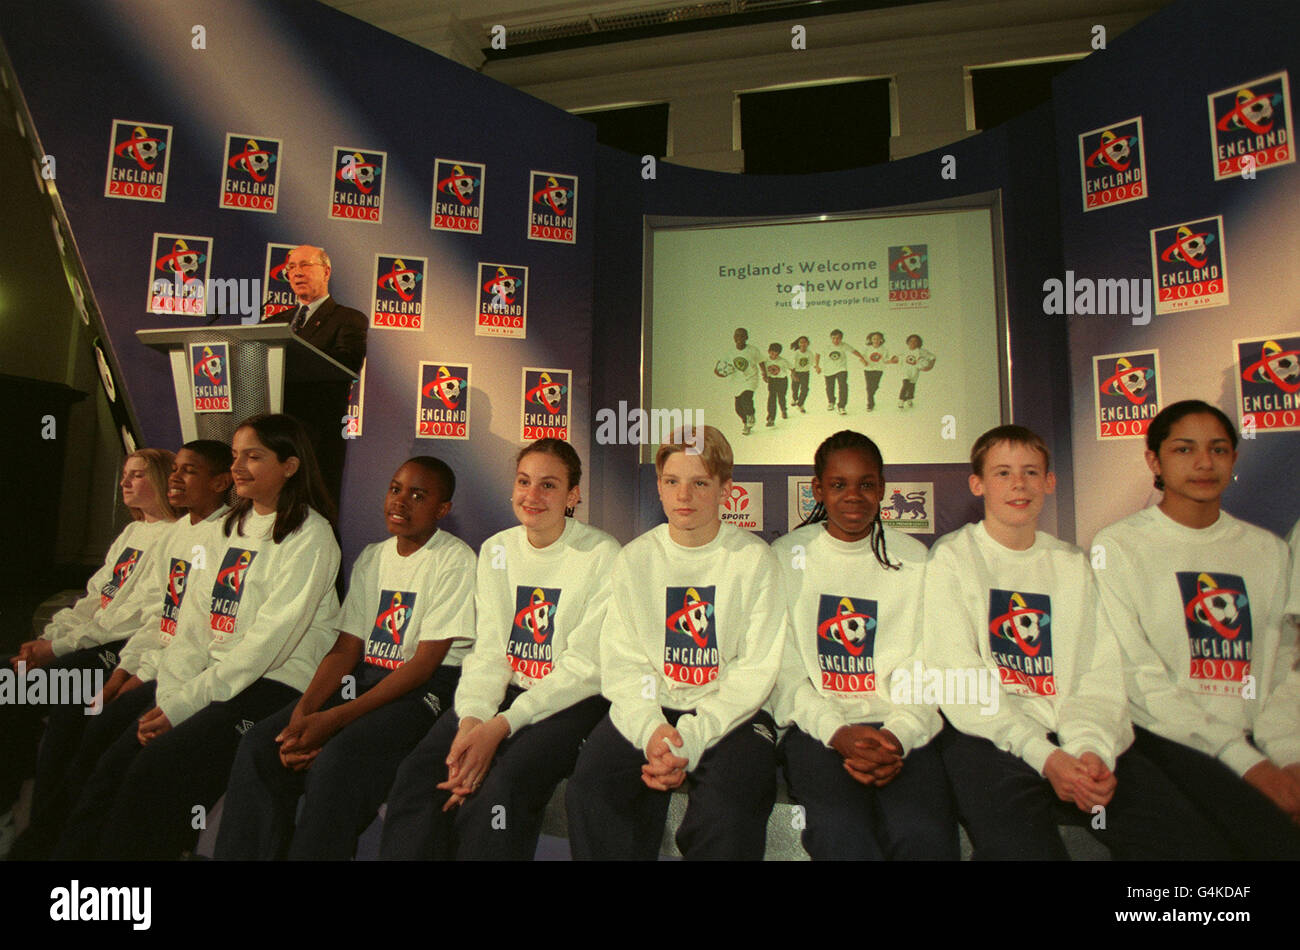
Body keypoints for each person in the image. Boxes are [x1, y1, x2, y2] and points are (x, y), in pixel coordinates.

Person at [925, 423, 1228, 859]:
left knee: (1183, 839)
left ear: (1049, 482)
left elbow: (1097, 673)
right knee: (1023, 851)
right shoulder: (952, 559)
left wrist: (1090, 750)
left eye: (1031, 472)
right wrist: (1043, 756)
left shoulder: (1071, 564)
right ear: (978, 484)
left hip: (1073, 733)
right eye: (1003, 473)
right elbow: (958, 677)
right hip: (990, 738)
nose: (1019, 485)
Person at [52, 414, 341, 860]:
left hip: (271, 685)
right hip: (206, 678)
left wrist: (182, 706)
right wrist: (169, 697)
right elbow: (191, 623)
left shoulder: (311, 536)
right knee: (111, 761)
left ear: (290, 465)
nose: (240, 466)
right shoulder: (225, 528)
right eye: (236, 456)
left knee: (155, 773)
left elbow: (264, 647)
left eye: (254, 456)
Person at [215, 456, 474, 860]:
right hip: (369, 678)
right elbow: (346, 648)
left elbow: (424, 664)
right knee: (263, 743)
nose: (400, 501)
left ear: (442, 510)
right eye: (395, 489)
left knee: (337, 761)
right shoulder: (373, 556)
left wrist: (334, 720)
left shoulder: (455, 560)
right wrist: (304, 711)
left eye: (418, 495)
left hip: (426, 689)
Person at [380, 439, 619, 860]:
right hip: (500, 693)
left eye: (548, 485)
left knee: (498, 794)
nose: (532, 495)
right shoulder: (496, 551)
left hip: (569, 701)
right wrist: (472, 720)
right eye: (524, 481)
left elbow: (585, 667)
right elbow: (489, 652)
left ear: (573, 495)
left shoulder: (602, 554)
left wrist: (501, 726)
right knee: (421, 776)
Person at [565, 426, 784, 860]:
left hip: (731, 713)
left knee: (728, 814)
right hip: (652, 706)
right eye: (672, 481)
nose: (684, 495)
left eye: (700, 482)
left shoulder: (755, 560)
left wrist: (692, 737)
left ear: (726, 489)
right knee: (591, 790)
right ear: (659, 488)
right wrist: (650, 729)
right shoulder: (635, 559)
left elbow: (755, 670)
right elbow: (624, 664)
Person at [1092, 400, 1300, 858]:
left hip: (1252, 741)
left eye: (1219, 449)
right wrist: (1249, 765)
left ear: (1234, 460)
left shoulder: (1268, 552)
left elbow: (1281, 672)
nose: (1205, 463)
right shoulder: (1119, 546)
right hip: (1159, 740)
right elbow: (1139, 680)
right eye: (1185, 450)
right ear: (1154, 461)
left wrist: (1287, 757)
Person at [9, 441, 232, 860]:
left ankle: (52, 841)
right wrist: (59, 640)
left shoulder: (215, 537)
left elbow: (159, 623)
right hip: (135, 656)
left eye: (139, 474)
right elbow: (115, 604)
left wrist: (121, 668)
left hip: (142, 659)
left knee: (70, 713)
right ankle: (32, 827)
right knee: (13, 688)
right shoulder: (151, 533)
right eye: (176, 470)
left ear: (220, 482)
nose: (127, 483)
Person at [771, 430, 957, 859]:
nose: (853, 496)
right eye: (838, 485)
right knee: (840, 834)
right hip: (818, 730)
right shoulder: (785, 557)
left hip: (901, 730)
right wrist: (836, 731)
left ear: (883, 489)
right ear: (817, 488)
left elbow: (929, 663)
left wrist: (898, 734)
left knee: (924, 834)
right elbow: (783, 668)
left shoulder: (915, 560)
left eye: (866, 484)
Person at [266, 245, 367, 373]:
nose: (297, 273)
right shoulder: (273, 323)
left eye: (305, 265)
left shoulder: (349, 319)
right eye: (291, 267)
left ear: (326, 273)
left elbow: (347, 366)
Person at [714, 327, 761, 436]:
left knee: (746, 398)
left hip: (750, 379)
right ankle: (746, 423)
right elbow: (719, 364)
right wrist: (717, 372)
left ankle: (751, 415)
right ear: (734, 338)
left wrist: (764, 374)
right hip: (736, 382)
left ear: (746, 337)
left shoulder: (753, 350)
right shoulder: (729, 352)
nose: (739, 338)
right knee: (738, 408)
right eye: (737, 335)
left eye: (742, 335)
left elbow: (761, 361)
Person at [815, 328, 865, 415]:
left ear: (841, 338)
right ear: (831, 338)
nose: (836, 340)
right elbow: (817, 354)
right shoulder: (826, 346)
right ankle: (831, 401)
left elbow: (854, 351)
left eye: (838, 338)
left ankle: (841, 406)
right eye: (834, 338)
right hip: (828, 370)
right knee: (829, 387)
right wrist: (817, 366)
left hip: (841, 369)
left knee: (843, 386)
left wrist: (862, 358)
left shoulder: (844, 345)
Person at [898, 334, 935, 410]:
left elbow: (932, 357)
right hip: (905, 371)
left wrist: (930, 366)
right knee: (905, 384)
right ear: (908, 342)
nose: (913, 343)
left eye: (915, 341)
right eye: (911, 341)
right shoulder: (905, 351)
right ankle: (901, 400)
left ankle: (909, 398)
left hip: (914, 372)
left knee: (911, 386)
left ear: (919, 343)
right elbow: (897, 357)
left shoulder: (921, 351)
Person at [861, 331, 896, 412]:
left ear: (881, 340)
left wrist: (891, 361)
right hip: (868, 369)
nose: (876, 340)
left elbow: (885, 360)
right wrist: (864, 362)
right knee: (869, 387)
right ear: (871, 340)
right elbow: (861, 357)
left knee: (875, 386)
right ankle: (870, 404)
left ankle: (871, 397)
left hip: (879, 369)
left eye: (878, 339)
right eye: (874, 339)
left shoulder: (884, 349)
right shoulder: (867, 348)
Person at [761, 342, 793, 427]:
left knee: (781, 397)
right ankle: (771, 418)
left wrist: (793, 375)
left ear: (779, 353)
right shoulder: (765, 361)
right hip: (772, 381)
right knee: (772, 398)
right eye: (772, 352)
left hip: (782, 380)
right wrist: (764, 376)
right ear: (768, 351)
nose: (773, 354)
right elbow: (763, 370)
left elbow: (792, 368)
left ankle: (783, 410)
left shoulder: (782, 361)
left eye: (776, 353)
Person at [788, 335, 813, 413]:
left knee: (805, 389)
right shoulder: (796, 353)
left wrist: (817, 367)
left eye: (805, 342)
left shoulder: (809, 353)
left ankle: (800, 404)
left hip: (805, 373)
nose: (803, 344)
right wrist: (793, 374)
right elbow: (792, 365)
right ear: (798, 344)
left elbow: (813, 362)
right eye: (801, 342)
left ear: (808, 343)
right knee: (795, 388)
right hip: (796, 372)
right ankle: (795, 398)